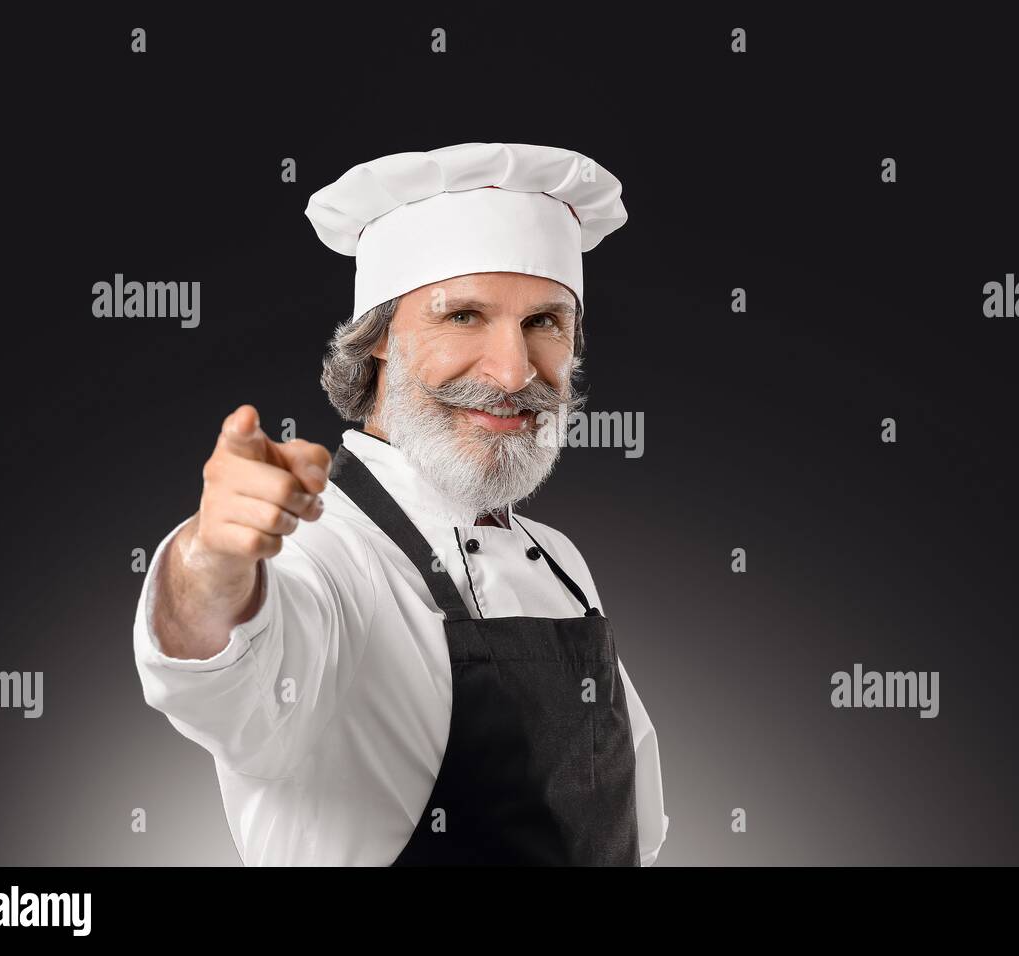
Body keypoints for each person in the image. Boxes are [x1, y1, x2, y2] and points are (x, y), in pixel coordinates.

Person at [132, 143, 668, 866]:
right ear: (378, 339)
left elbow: (634, 825)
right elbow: (216, 677)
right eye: (464, 317)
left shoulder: (561, 560)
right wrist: (213, 558)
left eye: (544, 322)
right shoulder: (317, 548)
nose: (512, 372)